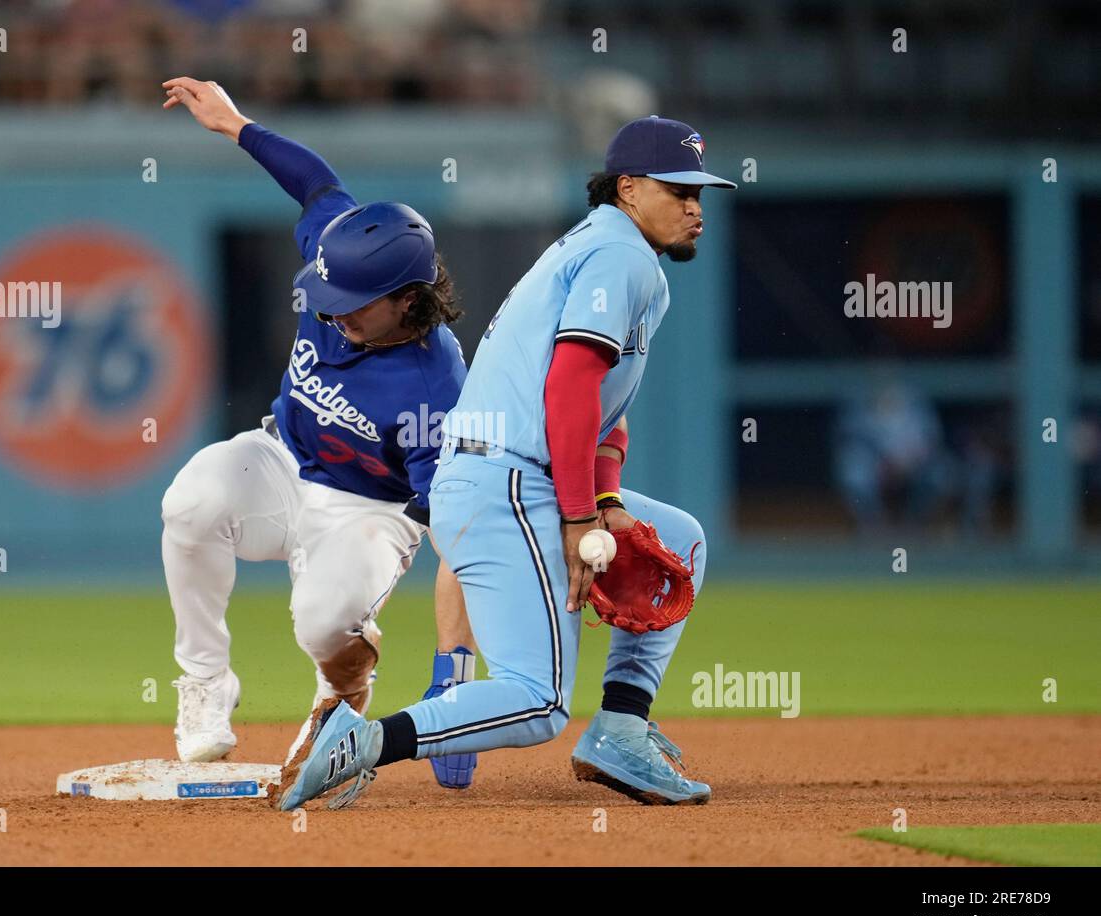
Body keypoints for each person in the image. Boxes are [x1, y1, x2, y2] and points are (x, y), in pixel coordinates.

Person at [274, 116, 736, 811]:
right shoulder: (621, 258)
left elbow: (604, 411)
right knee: (537, 699)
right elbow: (571, 385)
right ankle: (361, 740)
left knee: (681, 538)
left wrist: (605, 501)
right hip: (510, 483)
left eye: (702, 192)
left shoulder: (605, 250)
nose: (696, 206)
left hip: (510, 479)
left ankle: (620, 726)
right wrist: (581, 516)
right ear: (630, 188)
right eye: (679, 190)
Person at [159, 77, 478, 787]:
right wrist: (237, 124)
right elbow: (317, 184)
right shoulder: (345, 249)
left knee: (322, 623)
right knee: (189, 503)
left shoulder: (438, 388)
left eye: (353, 304)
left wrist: (455, 675)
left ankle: (342, 693)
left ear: (408, 300)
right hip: (283, 458)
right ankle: (206, 682)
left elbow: (456, 533)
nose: (332, 311)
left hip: (370, 512)